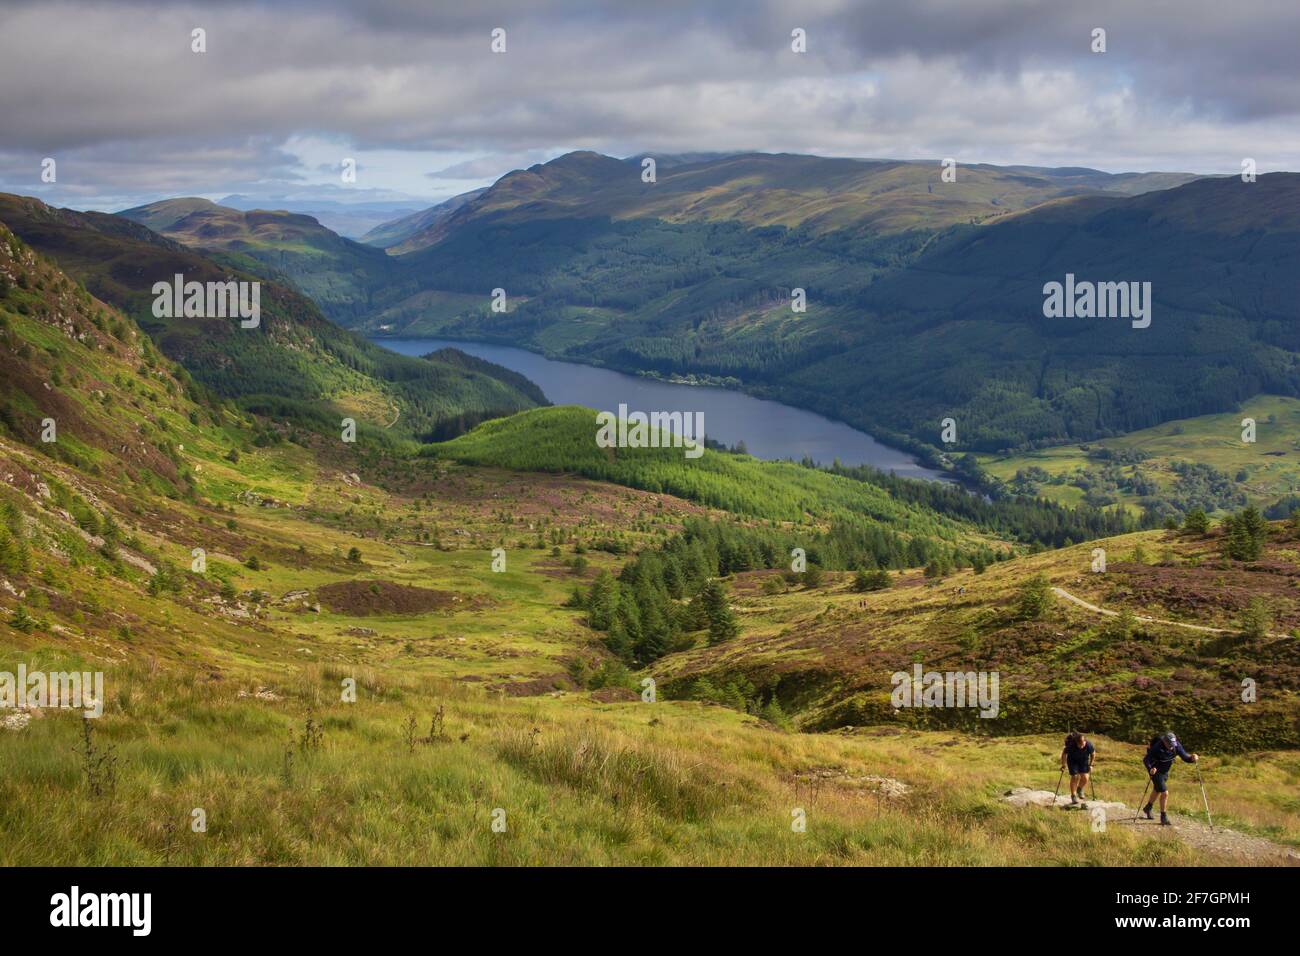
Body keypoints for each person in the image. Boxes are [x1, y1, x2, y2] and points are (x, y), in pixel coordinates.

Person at [1142, 731, 1198, 826]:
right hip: (1155, 770)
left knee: (1157, 789)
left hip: (1165, 771)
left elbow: (1185, 758)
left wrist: (1192, 758)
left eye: (1173, 744)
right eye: (1170, 744)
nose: (1172, 746)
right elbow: (1146, 759)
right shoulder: (1157, 747)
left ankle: (1148, 807)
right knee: (1164, 792)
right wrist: (1150, 768)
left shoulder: (1176, 746)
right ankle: (1163, 817)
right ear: (1165, 742)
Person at [1060, 731, 1095, 804]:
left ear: (1085, 741)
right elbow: (1064, 754)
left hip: (1084, 760)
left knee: (1085, 777)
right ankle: (1073, 796)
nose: (1082, 746)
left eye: (1083, 744)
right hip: (1072, 761)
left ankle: (1080, 789)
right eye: (1080, 745)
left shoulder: (1088, 745)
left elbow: (1093, 754)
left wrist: (1091, 765)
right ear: (1076, 743)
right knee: (1075, 777)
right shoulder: (1071, 746)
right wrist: (1063, 765)